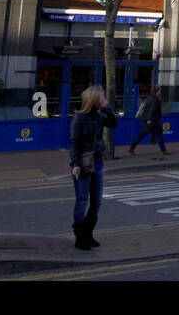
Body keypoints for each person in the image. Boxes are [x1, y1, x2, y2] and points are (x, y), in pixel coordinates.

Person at [68, 84, 117, 251]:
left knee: (96, 203)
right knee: (82, 200)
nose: (103, 100)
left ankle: (88, 233)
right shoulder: (79, 118)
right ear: (93, 100)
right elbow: (74, 143)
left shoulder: (99, 116)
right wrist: (74, 164)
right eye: (100, 98)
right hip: (82, 165)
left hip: (97, 163)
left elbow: (114, 123)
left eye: (103, 98)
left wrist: (107, 108)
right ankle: (80, 236)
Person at [128, 84, 168, 157]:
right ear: (157, 91)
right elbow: (151, 110)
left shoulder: (149, 98)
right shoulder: (155, 100)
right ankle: (164, 150)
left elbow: (147, 109)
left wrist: (147, 119)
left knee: (142, 135)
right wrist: (149, 119)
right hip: (153, 121)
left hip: (149, 120)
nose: (160, 92)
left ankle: (132, 147)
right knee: (159, 135)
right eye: (159, 90)